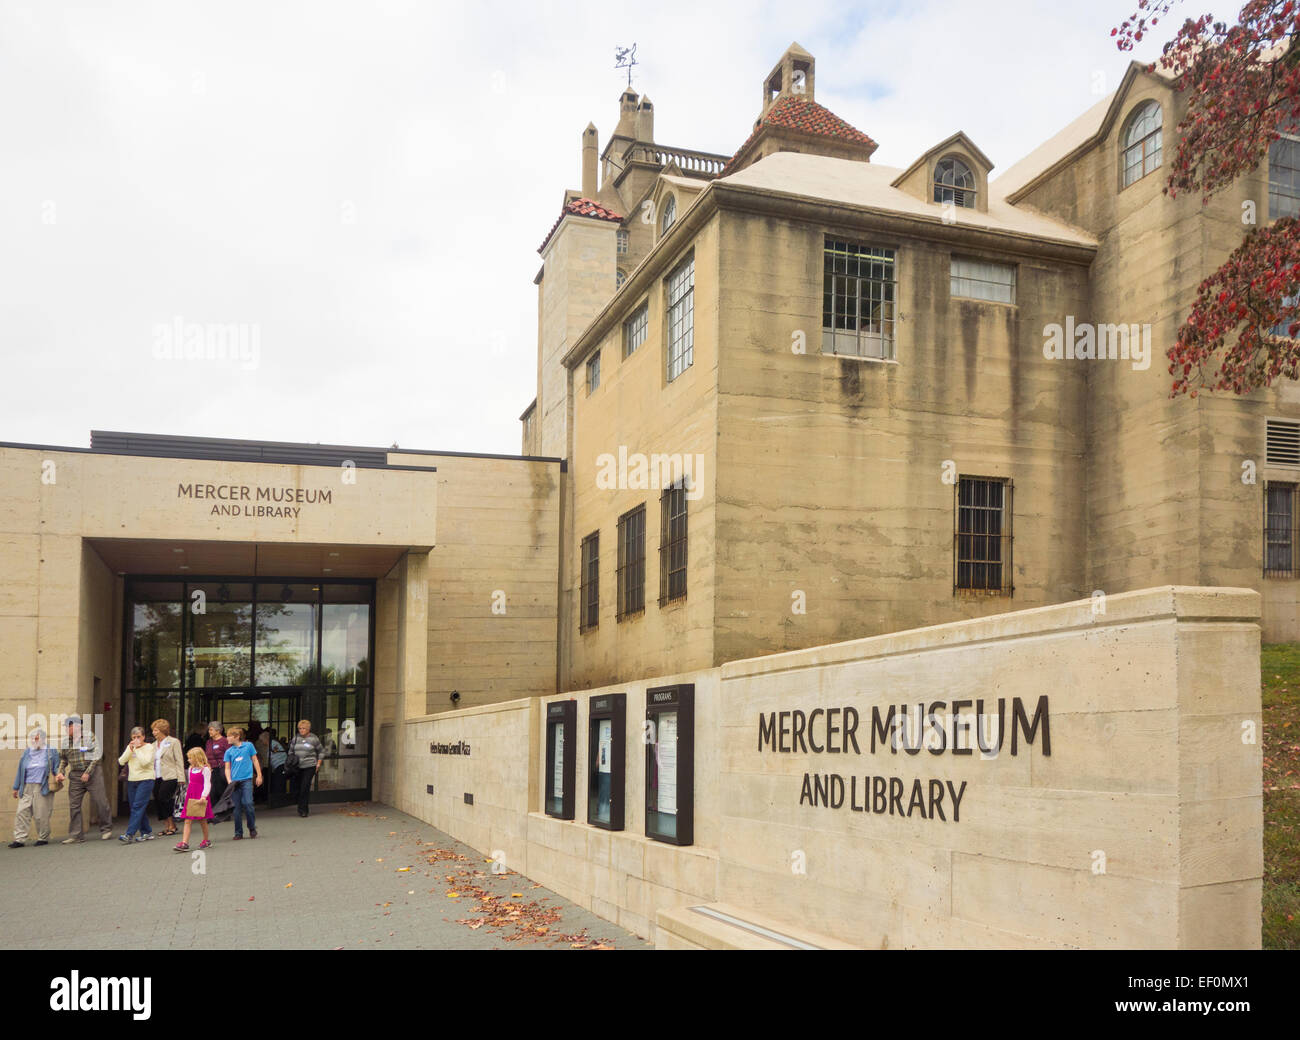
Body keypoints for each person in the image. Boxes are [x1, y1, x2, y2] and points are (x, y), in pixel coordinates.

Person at [56, 715, 113, 843]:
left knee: (101, 802)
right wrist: (60, 772)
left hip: (93, 773)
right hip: (76, 775)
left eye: (67, 727)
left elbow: (97, 755)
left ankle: (106, 829)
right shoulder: (66, 742)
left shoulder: (89, 737)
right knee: (74, 805)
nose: (66, 729)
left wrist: (88, 772)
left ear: (76, 727)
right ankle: (76, 835)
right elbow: (63, 759)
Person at [10, 728, 58, 847]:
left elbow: (56, 767)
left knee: (41, 813)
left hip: (42, 786)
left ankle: (43, 837)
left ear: (42, 739)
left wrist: (59, 775)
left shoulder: (51, 751)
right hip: (26, 786)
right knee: (21, 812)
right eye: (31, 738)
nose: (33, 740)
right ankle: (19, 839)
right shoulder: (27, 752)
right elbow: (20, 770)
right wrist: (16, 787)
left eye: (35, 738)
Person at [117, 726, 156, 843]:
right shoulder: (131, 748)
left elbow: (145, 762)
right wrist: (130, 749)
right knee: (136, 807)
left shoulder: (149, 747)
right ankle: (147, 832)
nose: (136, 739)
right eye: (134, 737)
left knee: (137, 806)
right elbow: (121, 761)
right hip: (132, 780)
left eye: (139, 737)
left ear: (143, 737)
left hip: (146, 779)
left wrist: (137, 749)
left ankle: (129, 834)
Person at [223, 727, 262, 839]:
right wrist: (229, 780)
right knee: (236, 808)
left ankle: (252, 827)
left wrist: (259, 775)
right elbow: (227, 768)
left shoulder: (248, 746)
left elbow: (255, 760)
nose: (227, 738)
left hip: (247, 780)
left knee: (248, 803)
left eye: (229, 736)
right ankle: (238, 832)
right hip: (234, 782)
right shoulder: (229, 751)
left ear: (237, 737)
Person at [151, 719, 185, 837]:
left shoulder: (174, 742)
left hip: (170, 776)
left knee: (164, 798)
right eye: (153, 730)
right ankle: (166, 826)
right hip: (156, 776)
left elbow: (179, 760)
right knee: (158, 800)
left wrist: (181, 777)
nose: (153, 733)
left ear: (162, 731)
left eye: (156, 730)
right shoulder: (153, 745)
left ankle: (172, 825)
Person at [175, 747, 213, 852]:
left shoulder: (205, 769)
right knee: (187, 820)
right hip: (191, 796)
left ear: (197, 758)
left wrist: (204, 796)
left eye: (190, 758)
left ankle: (206, 840)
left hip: (200, 796)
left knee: (202, 820)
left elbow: (207, 784)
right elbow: (190, 783)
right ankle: (184, 842)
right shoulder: (191, 769)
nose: (188, 760)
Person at [288, 719, 325, 817]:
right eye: (300, 728)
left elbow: (321, 751)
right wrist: (291, 762)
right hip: (297, 767)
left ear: (308, 729)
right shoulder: (295, 738)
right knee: (299, 787)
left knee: (305, 786)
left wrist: (318, 763)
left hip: (310, 766)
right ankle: (300, 807)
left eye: (304, 728)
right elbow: (290, 751)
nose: (301, 730)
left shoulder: (314, 738)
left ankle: (303, 810)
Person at [204, 722, 229, 808]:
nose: (209, 732)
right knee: (212, 791)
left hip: (221, 768)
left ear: (218, 731)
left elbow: (229, 755)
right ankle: (213, 812)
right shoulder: (208, 742)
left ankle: (223, 810)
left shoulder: (225, 741)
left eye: (211, 730)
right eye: (209, 730)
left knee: (221, 789)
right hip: (211, 769)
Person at [269, 729, 287, 799]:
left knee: (279, 782)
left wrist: (273, 752)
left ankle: (279, 798)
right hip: (277, 765)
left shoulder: (273, 743)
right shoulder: (273, 742)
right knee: (279, 782)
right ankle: (279, 798)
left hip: (280, 764)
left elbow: (275, 751)